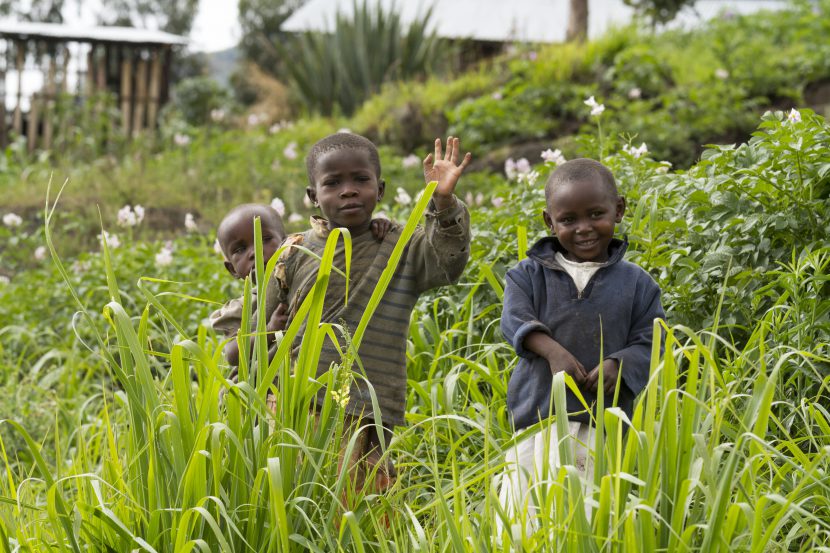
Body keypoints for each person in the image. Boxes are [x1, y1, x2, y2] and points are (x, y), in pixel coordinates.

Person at [272, 132, 472, 491]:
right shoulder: (294, 253)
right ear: (313, 196)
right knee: (301, 498)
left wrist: (442, 202)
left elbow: (447, 263)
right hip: (298, 404)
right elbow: (257, 327)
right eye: (333, 183)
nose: (348, 191)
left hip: (368, 408)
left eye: (360, 180)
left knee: (363, 502)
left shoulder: (400, 245)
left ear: (379, 191)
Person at [498, 158, 664, 531]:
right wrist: (551, 351)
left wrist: (619, 364)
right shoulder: (527, 275)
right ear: (549, 221)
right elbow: (514, 320)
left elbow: (653, 339)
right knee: (523, 521)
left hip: (600, 427)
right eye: (569, 219)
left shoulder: (637, 284)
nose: (584, 228)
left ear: (618, 209)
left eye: (595, 214)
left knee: (587, 523)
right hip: (537, 423)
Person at [210, 203, 391, 369]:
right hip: (263, 387)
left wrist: (370, 229)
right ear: (232, 269)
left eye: (265, 239)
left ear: (288, 242)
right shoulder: (243, 308)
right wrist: (270, 331)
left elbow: (339, 251)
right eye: (240, 249)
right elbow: (232, 355)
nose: (255, 252)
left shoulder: (304, 276)